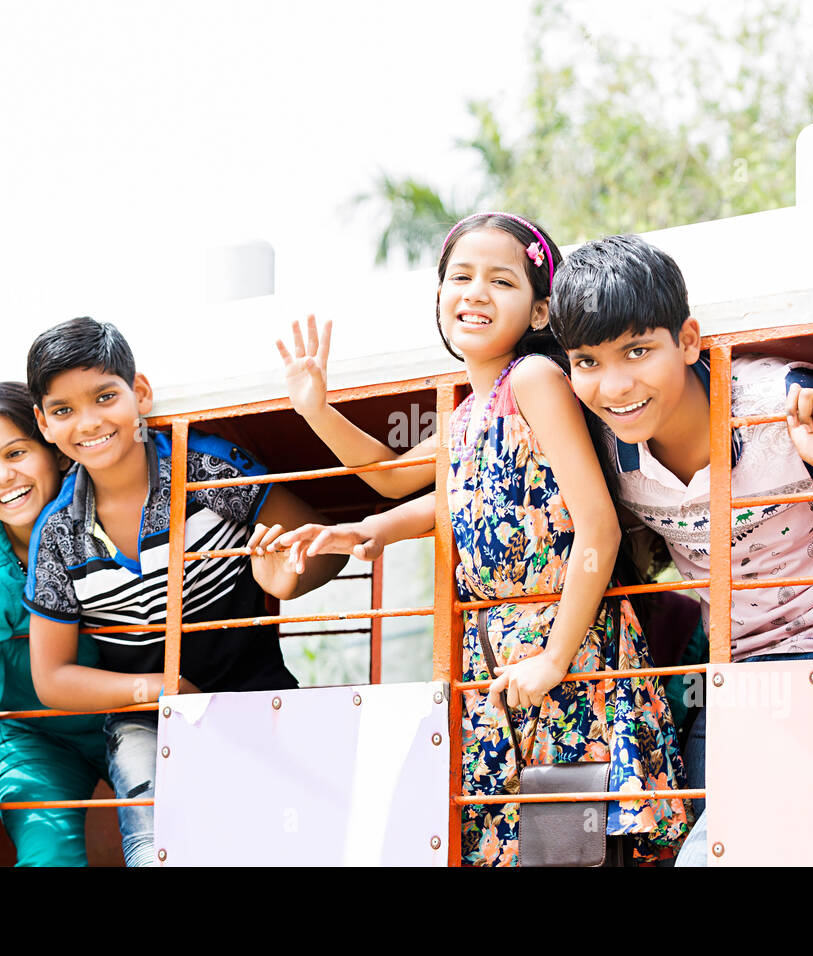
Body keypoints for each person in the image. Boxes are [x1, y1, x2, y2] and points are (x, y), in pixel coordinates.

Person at [273, 213, 690, 865]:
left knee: (568, 851)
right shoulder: (471, 412)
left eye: (502, 280)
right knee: (525, 851)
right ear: (438, 296)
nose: (475, 292)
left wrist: (554, 659)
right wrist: (319, 417)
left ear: (541, 310)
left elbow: (598, 528)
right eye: (460, 277)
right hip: (499, 659)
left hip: (564, 650)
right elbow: (396, 478)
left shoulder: (534, 381)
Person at [548, 234, 813, 865]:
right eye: (588, 362)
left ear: (687, 341)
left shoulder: (783, 401)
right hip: (736, 672)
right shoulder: (607, 453)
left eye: (638, 351)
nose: (616, 384)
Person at [23, 317, 347, 867]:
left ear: (139, 394)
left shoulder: (206, 468)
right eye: (63, 410)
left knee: (285, 844)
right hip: (144, 717)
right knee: (156, 851)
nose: (89, 422)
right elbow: (51, 678)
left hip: (256, 690)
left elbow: (329, 546)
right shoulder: (56, 535)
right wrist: (158, 688)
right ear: (44, 423)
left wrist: (284, 578)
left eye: (105, 396)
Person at [0, 382, 109, 866]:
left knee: (176, 831)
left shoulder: (113, 517)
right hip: (38, 738)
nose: (4, 477)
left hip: (135, 716)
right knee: (48, 852)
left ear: (54, 449)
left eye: (16, 452)